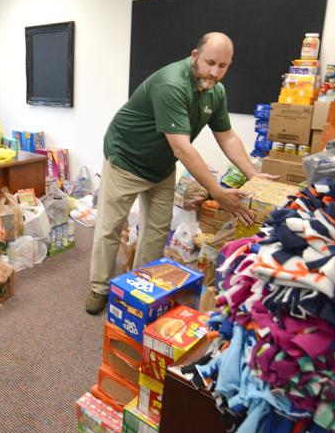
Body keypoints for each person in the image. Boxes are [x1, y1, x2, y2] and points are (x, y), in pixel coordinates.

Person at [85, 32, 277, 315]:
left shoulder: (215, 91)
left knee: (156, 230)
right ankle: (99, 289)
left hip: (160, 165)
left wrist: (253, 174)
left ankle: (138, 289)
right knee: (110, 226)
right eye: (210, 62)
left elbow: (226, 136)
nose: (215, 72)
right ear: (195, 55)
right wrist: (217, 192)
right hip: (126, 158)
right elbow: (183, 149)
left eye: (223, 66)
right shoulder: (171, 84)